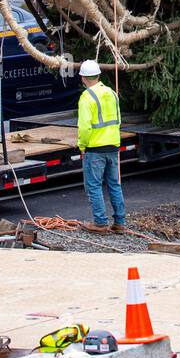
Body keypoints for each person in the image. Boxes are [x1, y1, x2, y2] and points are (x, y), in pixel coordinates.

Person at [76, 60, 126, 233]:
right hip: (113, 145)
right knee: (114, 184)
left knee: (94, 186)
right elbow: (118, 119)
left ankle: (100, 223)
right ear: (98, 75)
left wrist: (82, 145)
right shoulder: (111, 93)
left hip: (95, 148)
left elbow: (84, 127)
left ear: (83, 78)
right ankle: (119, 222)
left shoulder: (86, 97)